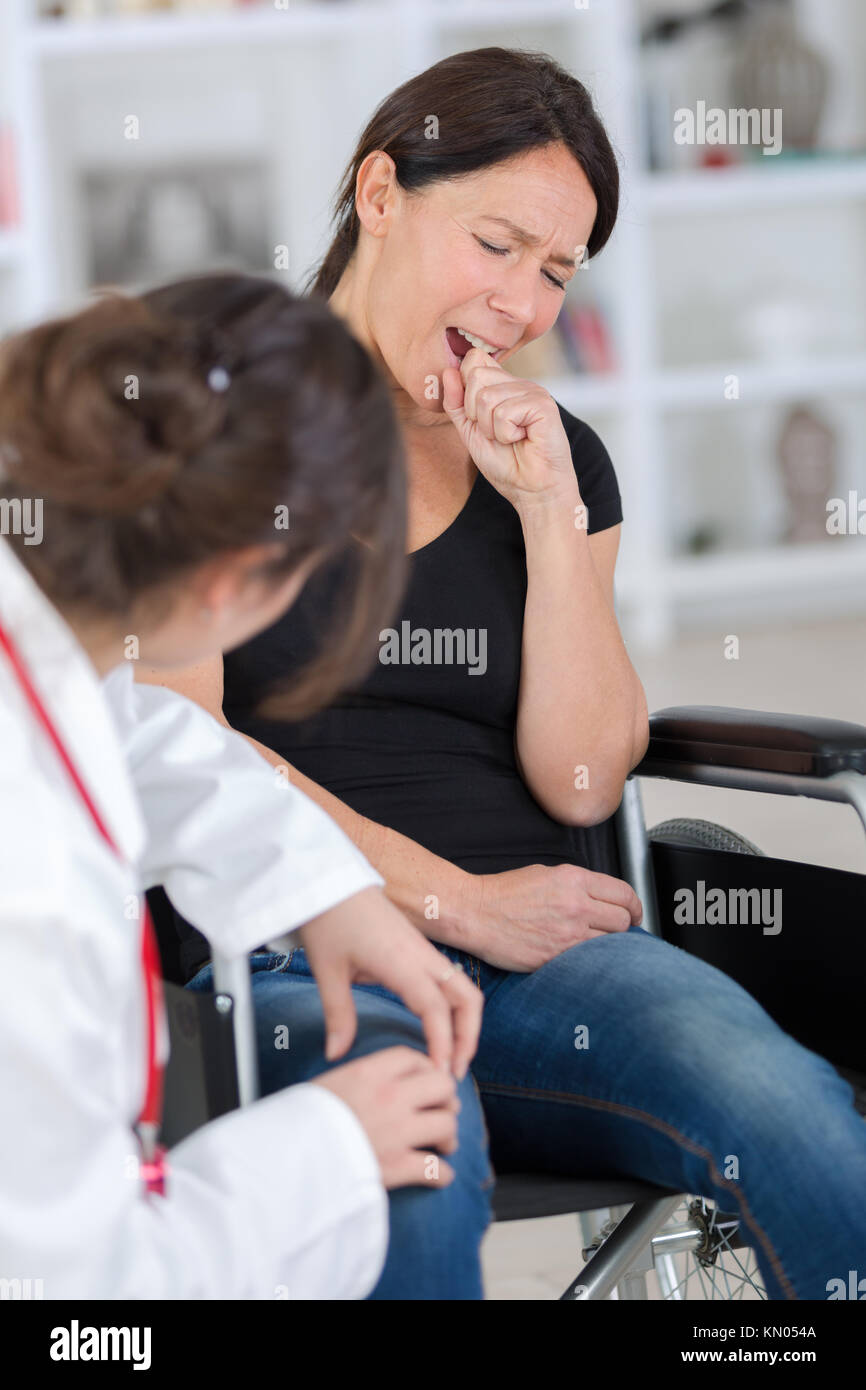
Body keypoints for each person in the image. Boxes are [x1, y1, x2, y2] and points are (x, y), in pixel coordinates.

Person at [152, 48, 866, 1300]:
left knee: (790, 1109)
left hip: (552, 967)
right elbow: (179, 743)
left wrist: (544, 516)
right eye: (496, 244)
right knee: (409, 1162)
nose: (523, 306)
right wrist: (453, 904)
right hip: (299, 948)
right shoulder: (206, 422)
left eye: (555, 272)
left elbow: (583, 781)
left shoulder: (552, 455)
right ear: (379, 193)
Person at [0, 274, 483, 1300]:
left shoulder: (39, 628)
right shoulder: (31, 891)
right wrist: (331, 1143)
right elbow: (84, 1300)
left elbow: (126, 733)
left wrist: (325, 885)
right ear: (232, 581)